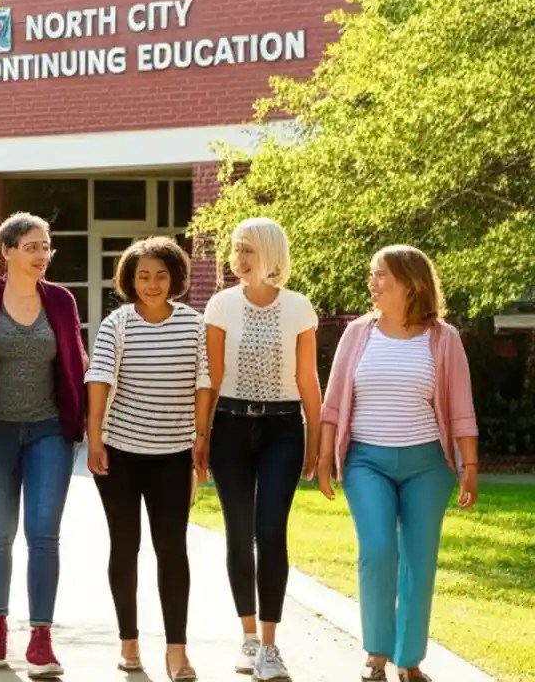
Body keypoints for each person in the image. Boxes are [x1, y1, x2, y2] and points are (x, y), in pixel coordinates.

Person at [317, 246, 478, 682]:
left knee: (419, 560)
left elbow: (462, 408)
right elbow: (332, 404)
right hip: (366, 461)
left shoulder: (444, 340)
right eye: (372, 274)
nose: (373, 283)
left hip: (428, 464)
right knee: (378, 551)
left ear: (411, 282)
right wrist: (323, 459)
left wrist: (470, 466)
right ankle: (376, 654)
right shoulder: (356, 334)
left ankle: (409, 661)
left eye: (382, 275)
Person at [0, 212, 87, 679]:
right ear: (7, 250)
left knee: (44, 533)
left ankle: (41, 640)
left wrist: (81, 421)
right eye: (32, 246)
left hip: (49, 430)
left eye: (46, 246)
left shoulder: (62, 302)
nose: (42, 255)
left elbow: (75, 361)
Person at [201, 217, 322, 682]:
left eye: (248, 249)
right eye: (236, 248)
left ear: (271, 253)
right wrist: (202, 437)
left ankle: (271, 647)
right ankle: (248, 638)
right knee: (238, 530)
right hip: (230, 426)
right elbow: (210, 380)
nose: (239, 257)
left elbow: (307, 378)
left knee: (271, 530)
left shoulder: (299, 308)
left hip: (283, 430)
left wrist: (315, 437)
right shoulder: (220, 305)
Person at [85, 237, 210, 681]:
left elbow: (203, 383)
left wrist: (201, 438)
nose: (152, 284)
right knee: (126, 546)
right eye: (143, 276)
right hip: (119, 454)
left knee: (172, 549)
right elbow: (99, 378)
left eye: (160, 275)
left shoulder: (194, 325)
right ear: (130, 279)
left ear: (175, 278)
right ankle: (129, 643)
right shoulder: (117, 323)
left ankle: (177, 651)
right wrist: (94, 438)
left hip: (173, 455)